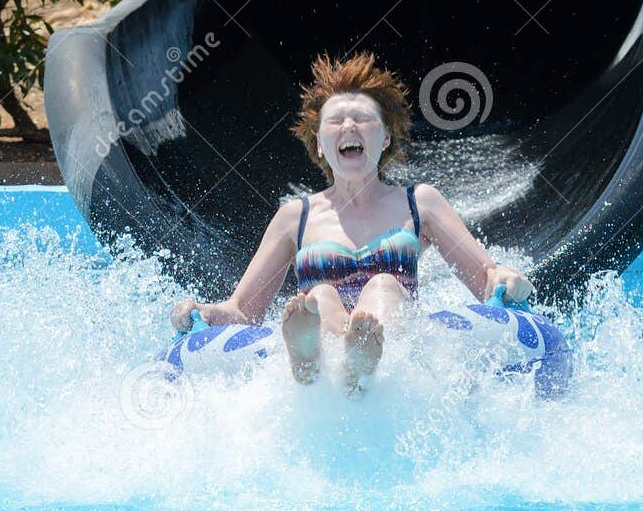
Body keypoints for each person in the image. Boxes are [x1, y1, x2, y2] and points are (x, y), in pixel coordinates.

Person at [170, 53, 531, 391]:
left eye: (362, 118)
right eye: (336, 121)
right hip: (323, 341)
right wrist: (206, 313)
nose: (349, 126)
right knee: (319, 297)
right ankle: (310, 361)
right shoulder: (295, 217)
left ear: (386, 136)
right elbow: (244, 312)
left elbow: (485, 279)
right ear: (321, 143)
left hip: (397, 352)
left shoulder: (420, 203)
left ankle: (362, 358)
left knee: (384, 286)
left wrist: (504, 278)